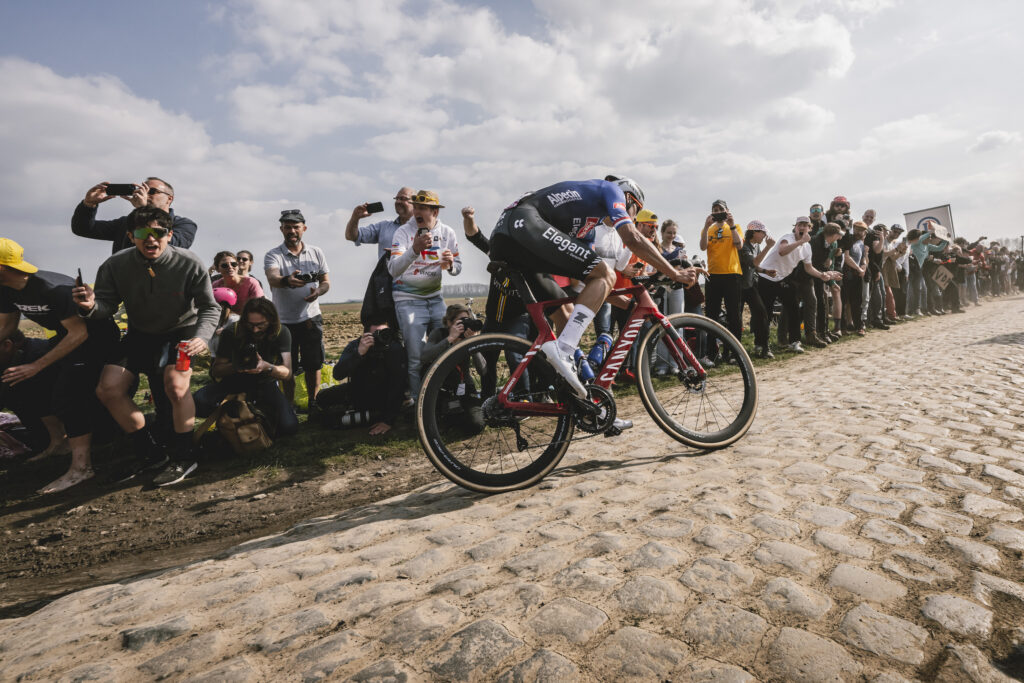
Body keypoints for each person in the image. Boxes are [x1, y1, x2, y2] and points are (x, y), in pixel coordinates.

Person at [486, 175, 694, 398]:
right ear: (630, 199)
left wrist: (622, 302)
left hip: (509, 237)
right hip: (523, 223)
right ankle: (563, 351)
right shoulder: (611, 189)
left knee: (565, 315)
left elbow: (588, 282)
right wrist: (673, 272)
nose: (632, 217)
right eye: (635, 210)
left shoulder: (587, 229)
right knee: (605, 271)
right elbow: (632, 239)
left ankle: (587, 401)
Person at [74, 207, 219, 486]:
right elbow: (105, 306)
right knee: (108, 389)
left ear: (170, 235)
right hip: (141, 333)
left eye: (159, 233)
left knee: (176, 386)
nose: (151, 239)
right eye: (142, 233)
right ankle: (149, 452)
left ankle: (184, 455)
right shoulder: (115, 265)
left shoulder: (189, 262)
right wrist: (89, 306)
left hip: (183, 331)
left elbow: (209, 308)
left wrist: (202, 337)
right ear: (131, 236)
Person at [0, 239, 119, 493]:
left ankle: (81, 468)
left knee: (69, 394)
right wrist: (33, 369)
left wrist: (36, 365)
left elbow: (79, 334)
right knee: (26, 380)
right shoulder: (6, 289)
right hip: (66, 337)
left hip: (97, 339)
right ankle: (58, 443)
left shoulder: (51, 288)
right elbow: (7, 328)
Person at [387, 190, 462, 397]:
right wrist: (413, 250)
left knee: (445, 349)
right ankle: (417, 403)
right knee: (416, 356)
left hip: (435, 299)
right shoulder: (403, 232)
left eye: (422, 208)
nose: (416, 211)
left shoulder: (447, 232)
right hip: (408, 300)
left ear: (435, 211)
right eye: (415, 207)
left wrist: (450, 265)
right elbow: (393, 269)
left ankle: (443, 398)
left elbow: (457, 266)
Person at [194, 297, 298, 438]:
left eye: (261, 325)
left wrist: (267, 367)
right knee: (198, 402)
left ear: (271, 321)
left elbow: (287, 373)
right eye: (250, 325)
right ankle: (237, 413)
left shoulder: (281, 332)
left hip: (265, 384)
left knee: (289, 427)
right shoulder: (232, 332)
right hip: (232, 383)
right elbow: (216, 370)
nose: (255, 330)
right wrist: (237, 366)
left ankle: (258, 414)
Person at [264, 209, 331, 409]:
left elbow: (326, 282)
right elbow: (272, 278)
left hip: (311, 317)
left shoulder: (316, 252)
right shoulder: (273, 254)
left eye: (295, 227)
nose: (292, 231)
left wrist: (318, 292)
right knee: (287, 367)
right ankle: (289, 405)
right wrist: (287, 280)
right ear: (281, 229)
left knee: (313, 364)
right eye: (287, 227)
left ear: (304, 229)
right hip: (283, 321)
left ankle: (314, 402)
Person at [757, 217, 841, 352]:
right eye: (799, 225)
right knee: (765, 312)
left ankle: (794, 342)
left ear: (810, 228)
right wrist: (800, 241)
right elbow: (782, 251)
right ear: (795, 227)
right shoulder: (788, 237)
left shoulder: (807, 247)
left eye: (805, 225)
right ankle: (761, 345)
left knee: (793, 308)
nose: (802, 228)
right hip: (766, 276)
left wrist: (822, 275)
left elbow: (809, 268)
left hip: (782, 279)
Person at [314, 316, 407, 435]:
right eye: (376, 334)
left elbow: (398, 384)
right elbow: (338, 374)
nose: (381, 337)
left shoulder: (394, 348)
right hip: (358, 390)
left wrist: (388, 421)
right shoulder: (356, 345)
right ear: (366, 335)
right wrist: (359, 353)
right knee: (322, 398)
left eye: (385, 332)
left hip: (384, 394)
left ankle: (376, 414)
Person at [71, 178, 197, 253]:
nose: (146, 195)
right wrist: (88, 204)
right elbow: (83, 229)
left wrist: (143, 210)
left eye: (152, 191)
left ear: (169, 199)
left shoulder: (184, 225)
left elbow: (169, 247)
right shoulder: (126, 223)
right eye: (143, 190)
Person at [420, 304, 485, 434]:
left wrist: (472, 342)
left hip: (464, 386)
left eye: (467, 320)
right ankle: (448, 416)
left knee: (476, 425)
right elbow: (424, 357)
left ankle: (453, 418)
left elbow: (483, 370)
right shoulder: (439, 333)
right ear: (449, 322)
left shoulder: (468, 336)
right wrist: (450, 338)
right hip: (443, 389)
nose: (465, 324)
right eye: (461, 321)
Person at [699, 200, 744, 361]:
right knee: (711, 315)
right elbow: (703, 247)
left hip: (732, 274)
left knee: (734, 315)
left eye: (721, 209)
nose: (718, 212)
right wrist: (705, 226)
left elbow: (739, 246)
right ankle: (712, 353)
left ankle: (734, 353)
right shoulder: (709, 229)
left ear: (727, 211)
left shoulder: (735, 227)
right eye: (715, 210)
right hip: (713, 275)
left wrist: (731, 225)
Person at [739, 222, 777, 359]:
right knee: (736, 320)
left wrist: (765, 271)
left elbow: (755, 266)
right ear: (754, 232)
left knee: (762, 314)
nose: (765, 236)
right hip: (738, 287)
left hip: (750, 285)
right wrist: (768, 247)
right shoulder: (743, 246)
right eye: (763, 233)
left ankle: (764, 347)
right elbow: (753, 262)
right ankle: (734, 351)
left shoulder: (756, 246)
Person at [346, 187, 416, 259]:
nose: (398, 202)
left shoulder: (423, 229)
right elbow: (351, 236)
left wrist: (398, 254)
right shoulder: (383, 227)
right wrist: (355, 217)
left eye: (402, 198)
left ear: (415, 203)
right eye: (396, 199)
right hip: (386, 270)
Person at [841, 221, 869, 335]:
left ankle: (859, 326)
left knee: (856, 302)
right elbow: (846, 257)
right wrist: (859, 269)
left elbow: (863, 258)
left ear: (865, 232)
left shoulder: (862, 243)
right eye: (856, 229)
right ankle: (842, 328)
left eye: (861, 230)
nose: (858, 231)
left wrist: (863, 266)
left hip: (856, 276)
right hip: (845, 274)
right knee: (843, 302)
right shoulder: (848, 239)